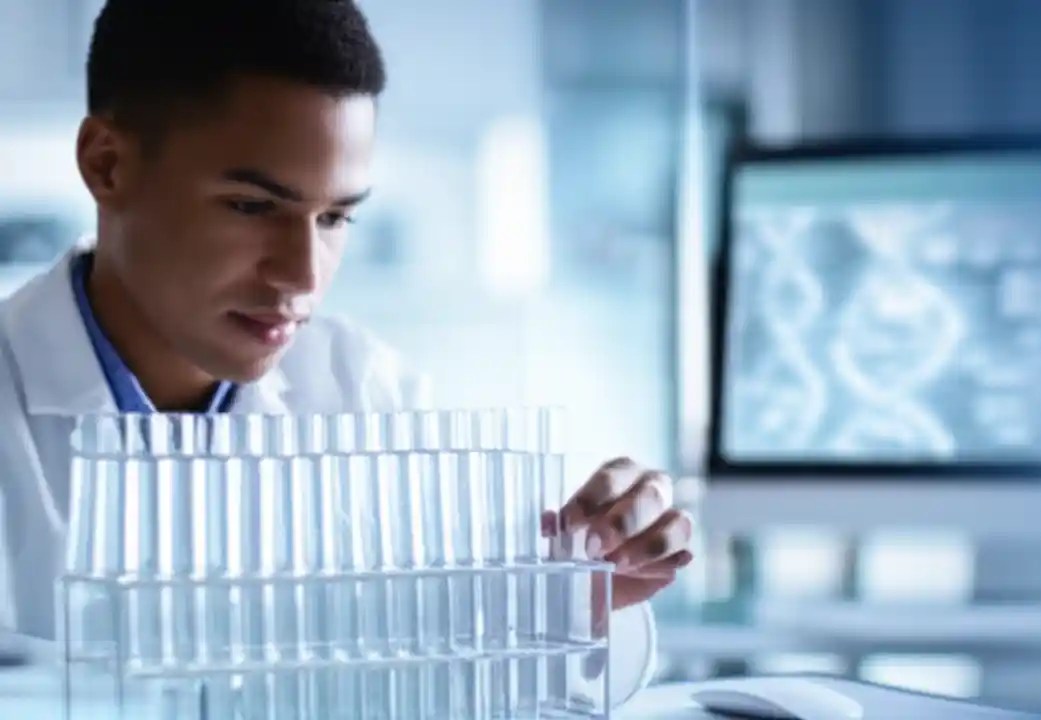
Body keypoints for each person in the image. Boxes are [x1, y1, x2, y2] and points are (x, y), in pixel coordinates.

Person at [0, 0, 693, 704]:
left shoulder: (368, 393)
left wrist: (579, 600)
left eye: (334, 217)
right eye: (251, 206)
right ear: (106, 164)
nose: (302, 278)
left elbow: (503, 678)